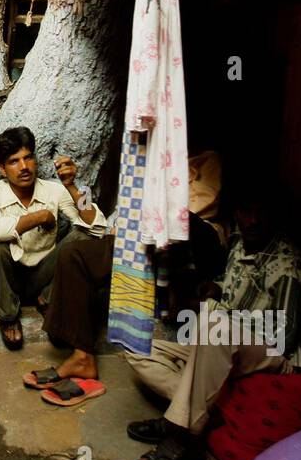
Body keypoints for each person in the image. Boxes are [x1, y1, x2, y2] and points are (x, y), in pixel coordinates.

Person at [122, 178, 301, 460]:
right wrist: (217, 289)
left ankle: (184, 437)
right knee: (136, 346)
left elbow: (285, 337)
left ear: (273, 215)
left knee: (217, 326)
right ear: (236, 213)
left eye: (260, 213)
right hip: (224, 344)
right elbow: (230, 291)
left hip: (272, 355)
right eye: (245, 211)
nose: (252, 221)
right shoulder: (239, 245)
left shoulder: (288, 264)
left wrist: (226, 323)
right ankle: (188, 409)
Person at [30, 152, 226, 397]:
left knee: (143, 232)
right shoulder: (131, 180)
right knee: (73, 252)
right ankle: (82, 356)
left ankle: (57, 312)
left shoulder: (200, 168)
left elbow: (95, 217)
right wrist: (71, 186)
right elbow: (97, 224)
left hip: (186, 237)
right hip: (129, 245)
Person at [0, 127, 107, 350]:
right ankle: (8, 317)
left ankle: (48, 299)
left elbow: (96, 227)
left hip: (46, 276)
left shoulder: (54, 191)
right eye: (14, 161)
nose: (24, 167)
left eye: (28, 158)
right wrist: (40, 216)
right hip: (12, 279)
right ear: (1, 169)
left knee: (83, 236)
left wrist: (72, 187)